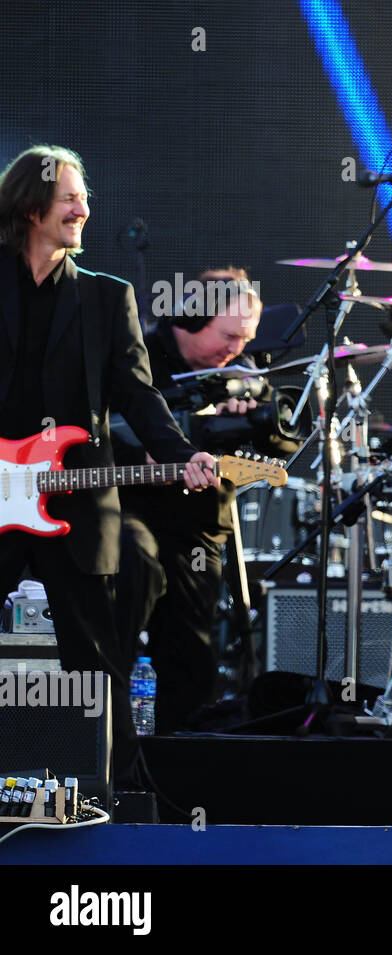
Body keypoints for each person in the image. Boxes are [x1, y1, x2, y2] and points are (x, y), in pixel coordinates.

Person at [0, 145, 218, 777]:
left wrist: (179, 454)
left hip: (76, 500)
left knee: (95, 660)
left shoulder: (105, 297)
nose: (82, 208)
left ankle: (110, 796)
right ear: (29, 204)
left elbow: (136, 393)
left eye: (83, 196)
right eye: (69, 196)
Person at [114, 267, 262, 733]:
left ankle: (181, 761)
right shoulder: (133, 350)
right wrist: (143, 451)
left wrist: (248, 421)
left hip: (196, 524)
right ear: (190, 320)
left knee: (192, 650)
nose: (238, 348)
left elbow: (275, 447)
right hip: (126, 511)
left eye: (247, 337)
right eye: (230, 334)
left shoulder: (240, 373)